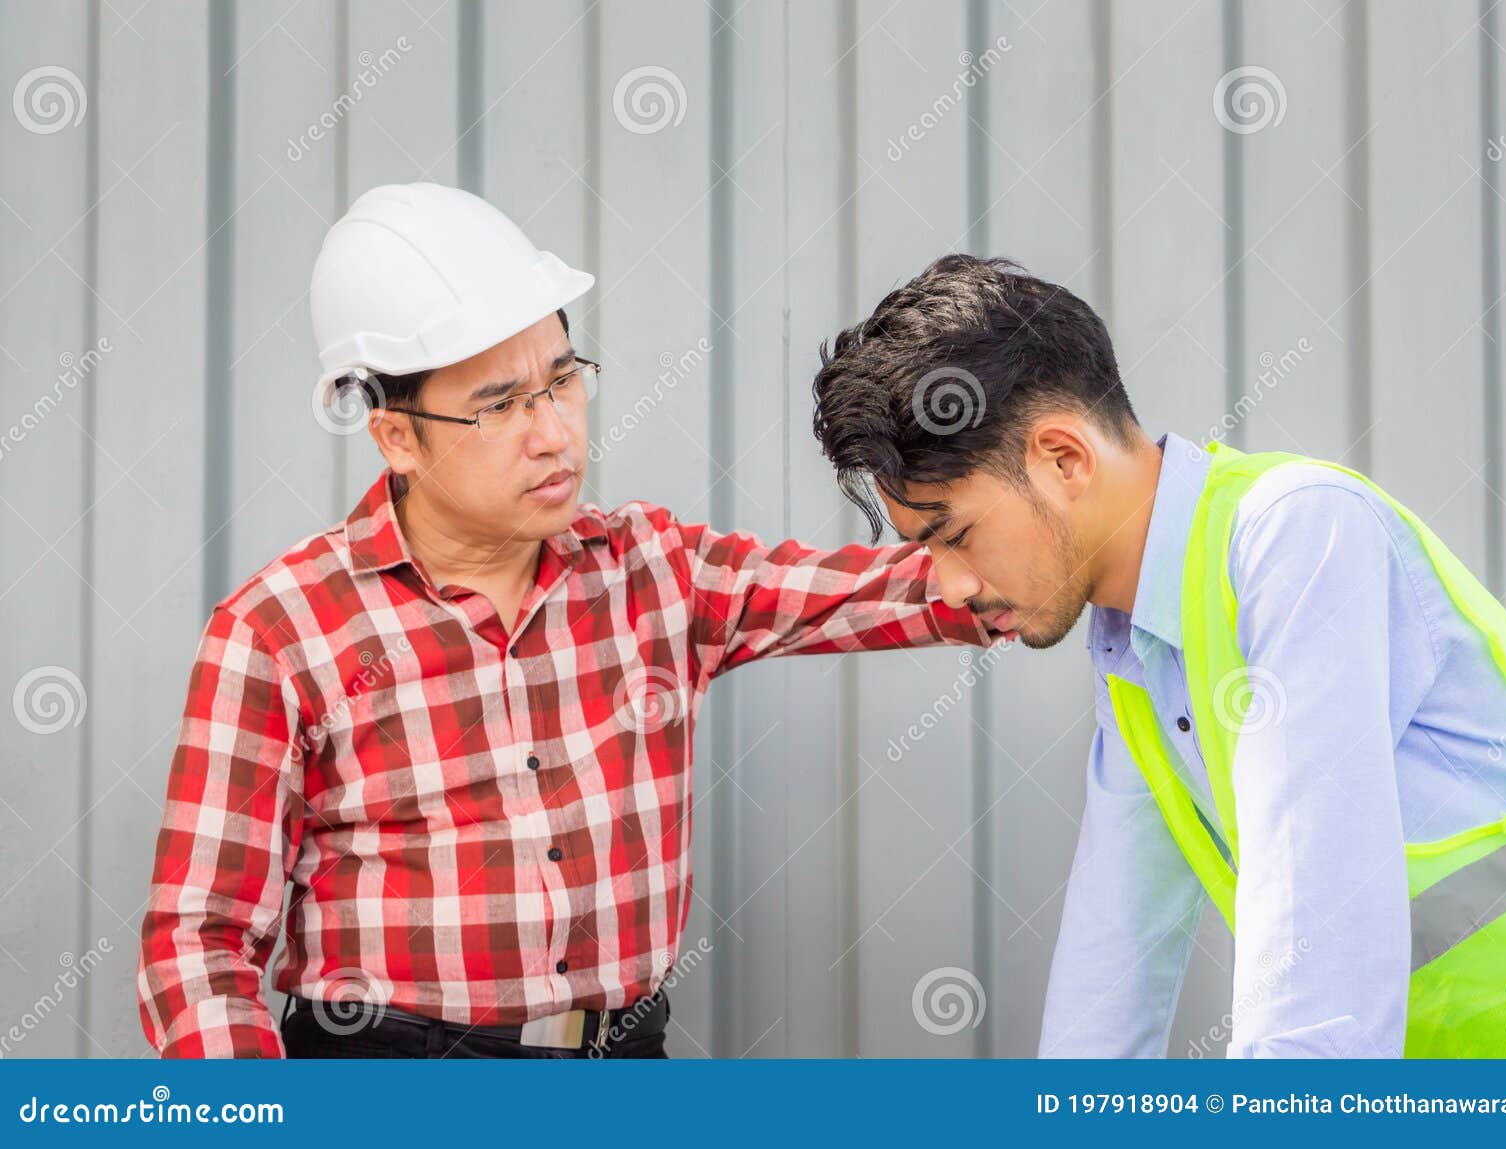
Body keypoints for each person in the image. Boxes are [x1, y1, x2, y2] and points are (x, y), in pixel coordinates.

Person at [135, 184, 1013, 1059]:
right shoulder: (281, 630)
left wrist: (1030, 552)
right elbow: (200, 940)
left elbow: (870, 589)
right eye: (501, 403)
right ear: (395, 435)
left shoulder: (651, 569)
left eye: (563, 381)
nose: (554, 433)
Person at [809, 253, 1506, 1058]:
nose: (946, 586)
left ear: (1062, 458)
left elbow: (1313, 983)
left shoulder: (1296, 537)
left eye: (954, 534)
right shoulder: (1135, 642)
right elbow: (1115, 950)